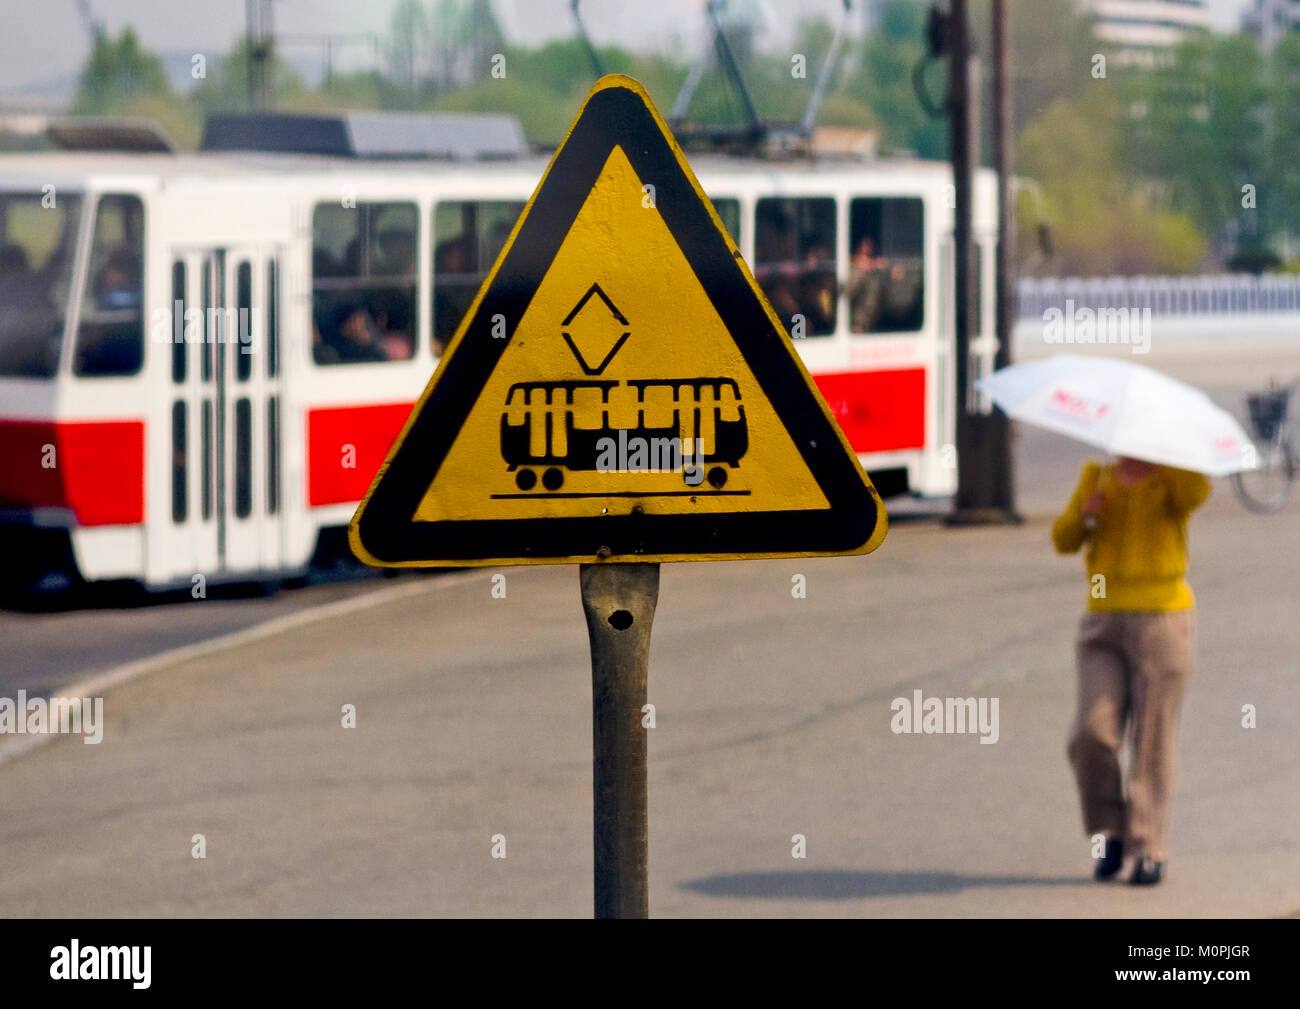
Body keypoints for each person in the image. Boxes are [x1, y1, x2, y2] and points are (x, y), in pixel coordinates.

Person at [1053, 455, 1211, 886]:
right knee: (1091, 734)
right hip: (1103, 620)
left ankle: (1148, 846)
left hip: (1164, 619)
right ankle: (1110, 833)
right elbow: (1064, 540)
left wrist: (1171, 460)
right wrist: (1087, 515)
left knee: (1152, 740)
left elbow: (1196, 495)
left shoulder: (1177, 477)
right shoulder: (1097, 475)